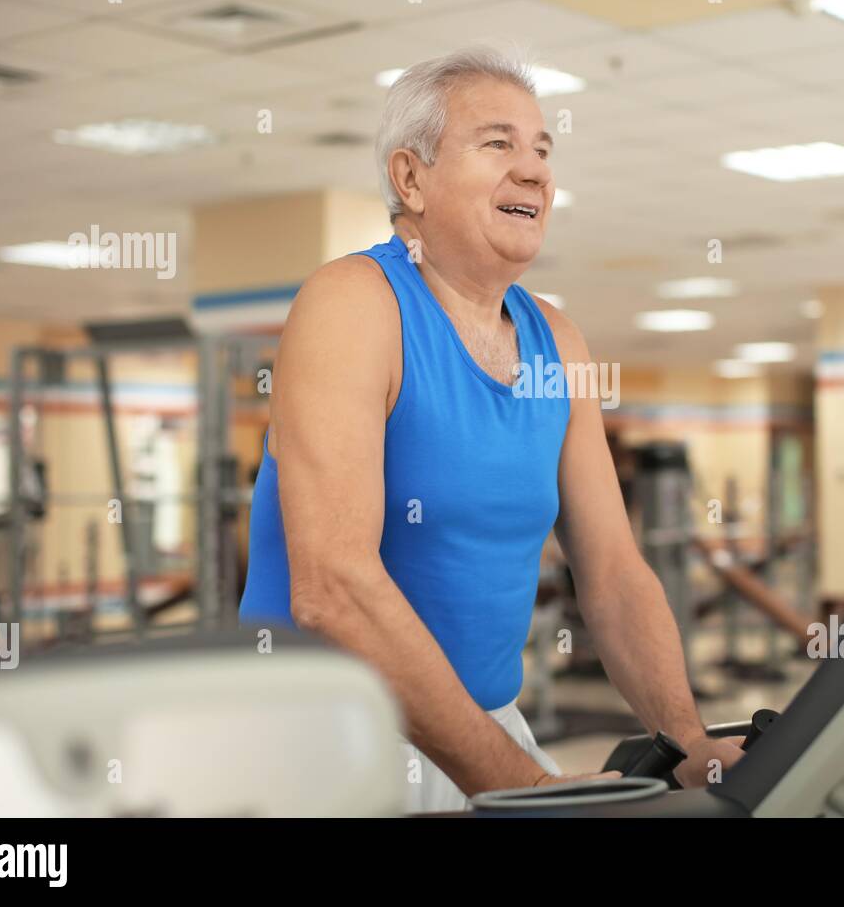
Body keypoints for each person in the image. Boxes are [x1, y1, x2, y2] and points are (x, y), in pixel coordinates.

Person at [238, 46, 743, 813]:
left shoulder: (559, 342)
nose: (536, 172)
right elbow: (332, 589)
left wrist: (690, 743)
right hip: (319, 740)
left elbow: (611, 572)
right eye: (499, 143)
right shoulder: (354, 304)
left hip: (482, 734)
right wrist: (525, 787)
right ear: (411, 178)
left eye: (543, 150)